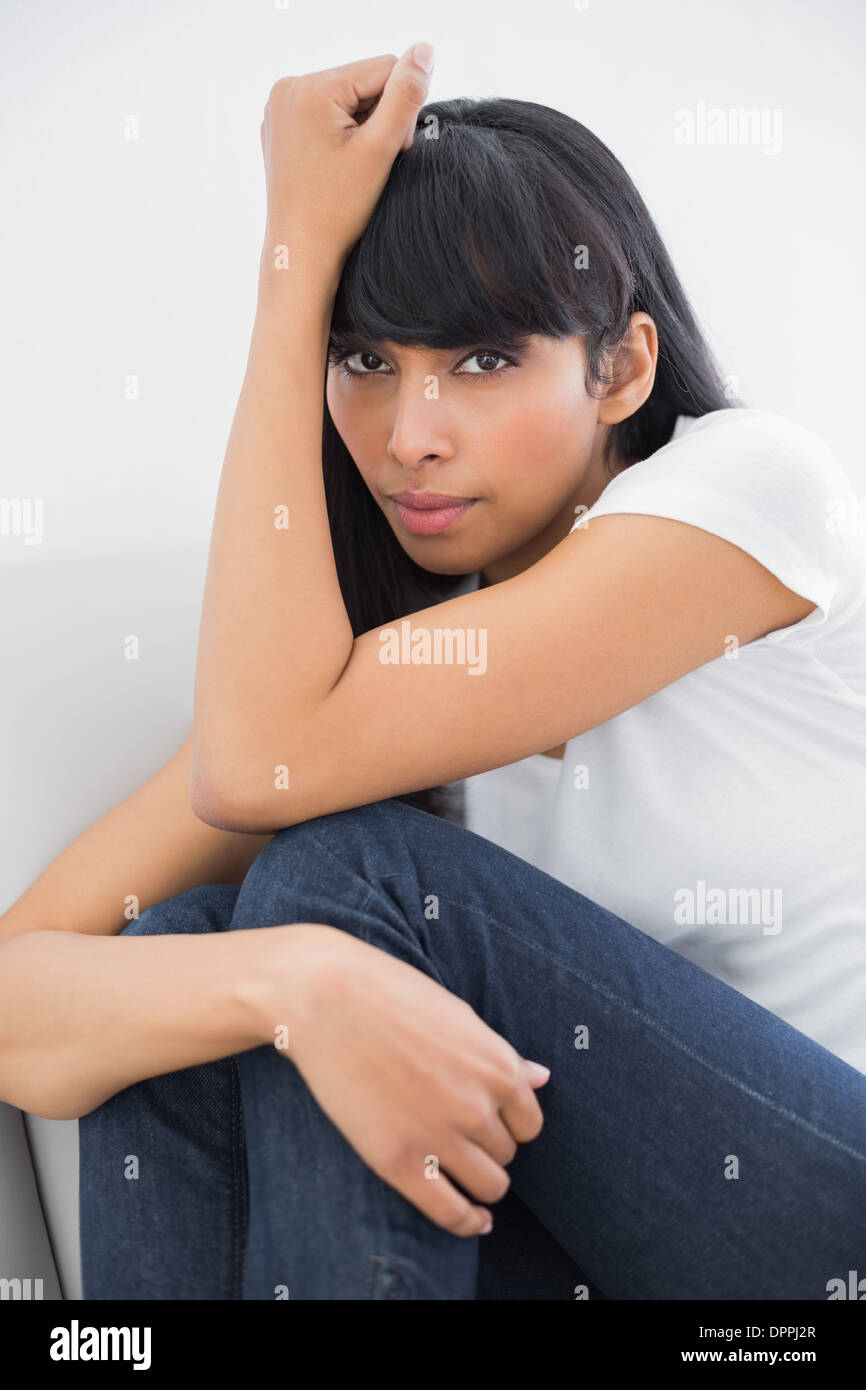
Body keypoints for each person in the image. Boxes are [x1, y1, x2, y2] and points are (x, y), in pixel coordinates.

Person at [2, 44, 864, 1301]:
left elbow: (256, 768)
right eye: (362, 362)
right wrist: (287, 980)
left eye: (479, 362)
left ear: (618, 367)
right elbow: (22, 984)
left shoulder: (748, 488)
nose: (409, 439)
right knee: (192, 962)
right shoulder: (380, 684)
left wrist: (292, 250)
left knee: (342, 873)